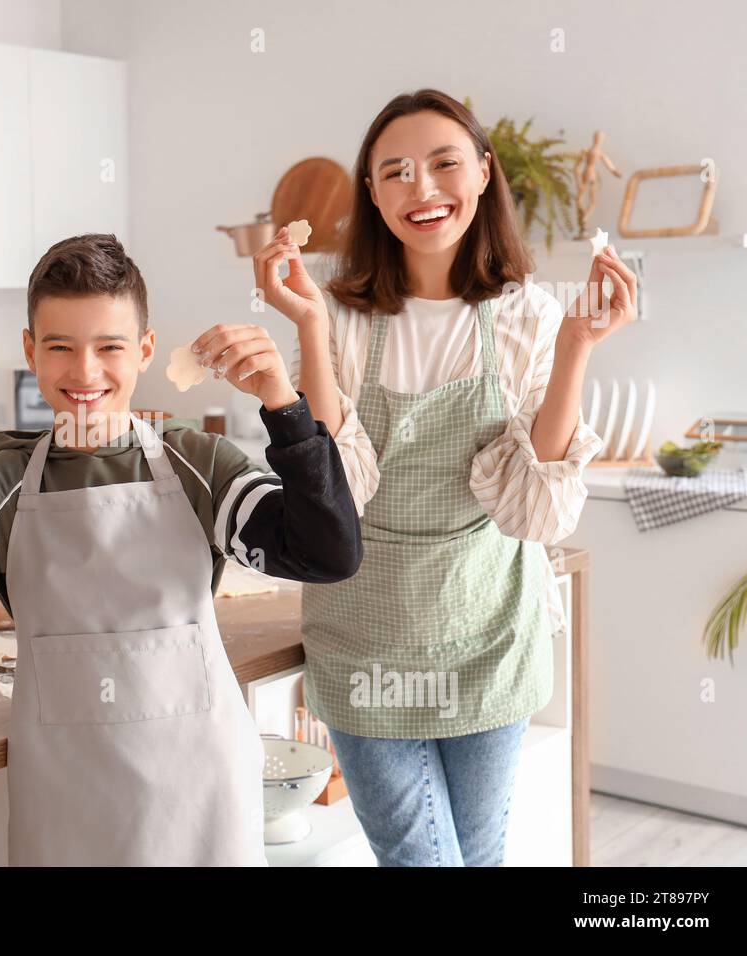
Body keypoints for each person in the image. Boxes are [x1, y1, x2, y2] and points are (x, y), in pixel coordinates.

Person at [0, 234, 362, 865]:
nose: (84, 373)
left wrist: (285, 407)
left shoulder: (200, 469)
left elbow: (329, 555)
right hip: (66, 805)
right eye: (60, 347)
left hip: (199, 798)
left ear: (145, 350)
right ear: (30, 350)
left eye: (109, 347)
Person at [256, 89, 635, 866]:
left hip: (489, 635)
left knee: (480, 852)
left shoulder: (530, 315)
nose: (421, 190)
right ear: (371, 193)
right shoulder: (337, 316)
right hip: (364, 638)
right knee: (417, 857)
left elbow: (535, 510)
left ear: (484, 173)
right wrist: (311, 332)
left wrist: (576, 350)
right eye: (394, 172)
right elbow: (338, 490)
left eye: (442, 164)